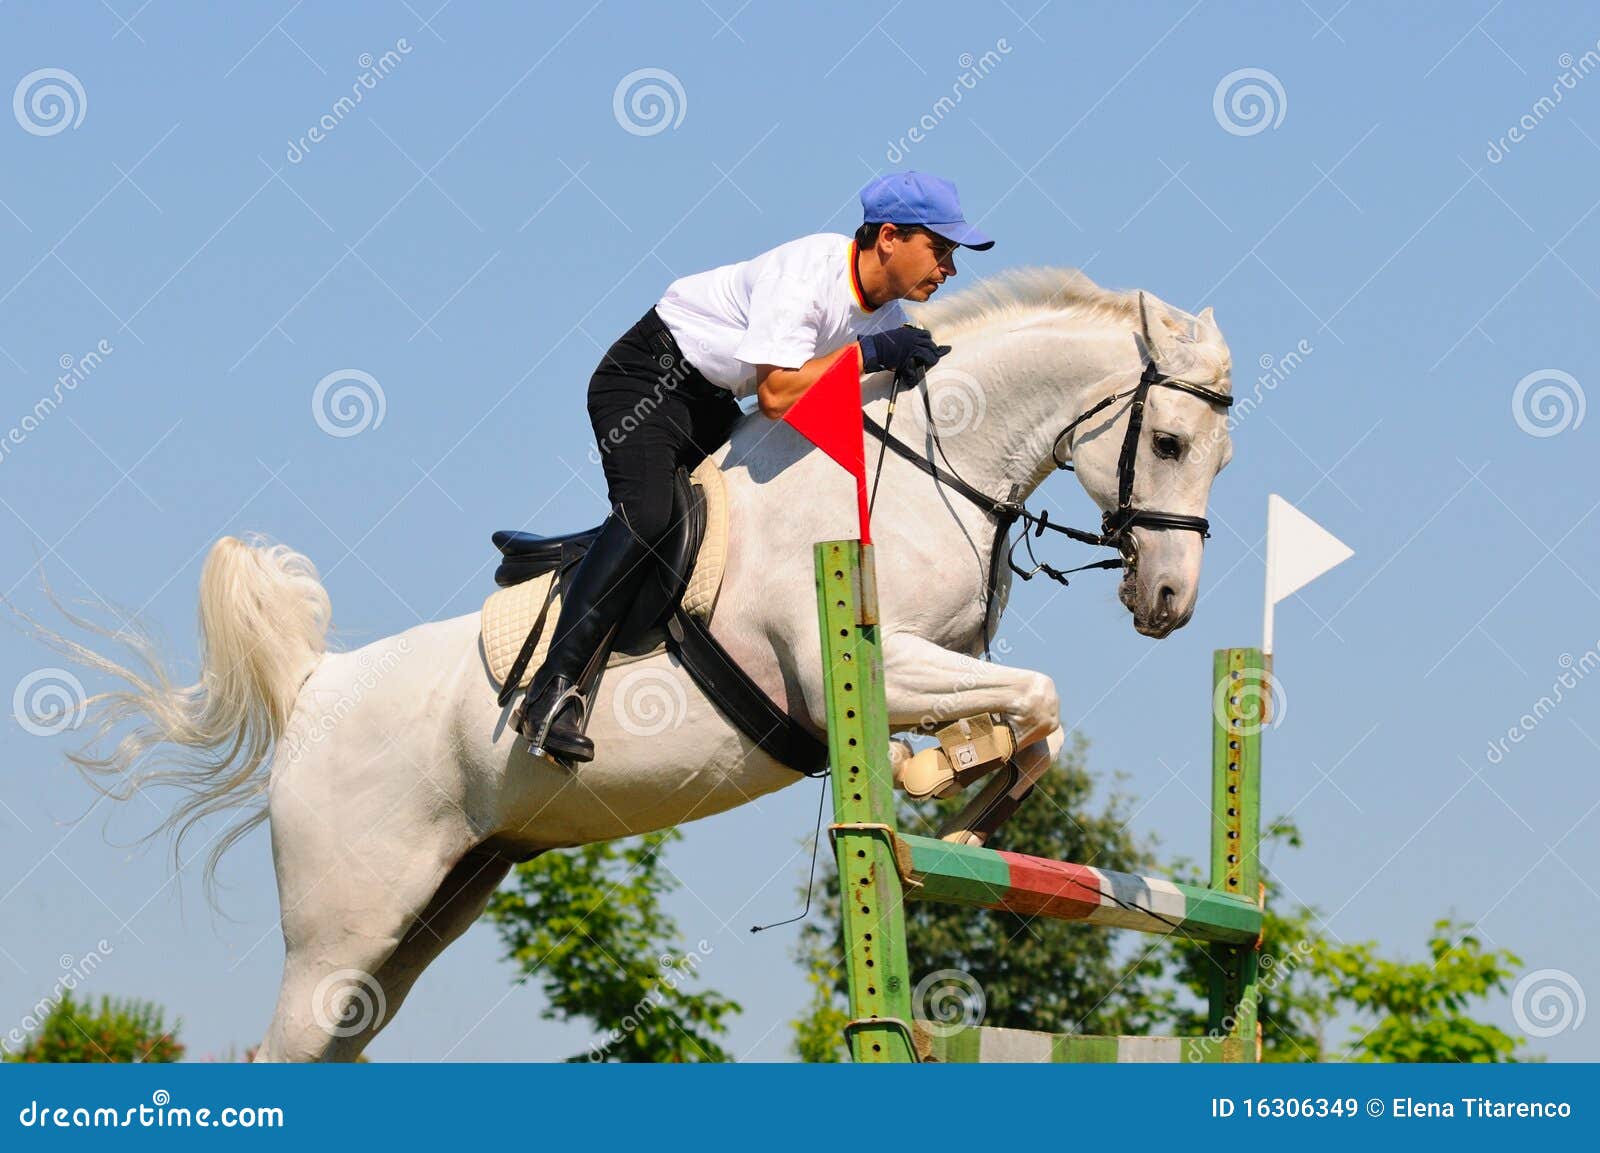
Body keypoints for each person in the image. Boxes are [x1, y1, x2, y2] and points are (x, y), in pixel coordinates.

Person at [516, 171, 996, 763]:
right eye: (940, 250)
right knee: (648, 514)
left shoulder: (890, 315)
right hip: (647, 383)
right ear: (890, 237)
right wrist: (871, 354)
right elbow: (776, 396)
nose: (949, 269)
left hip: (713, 403)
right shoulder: (807, 274)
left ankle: (594, 551)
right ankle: (551, 691)